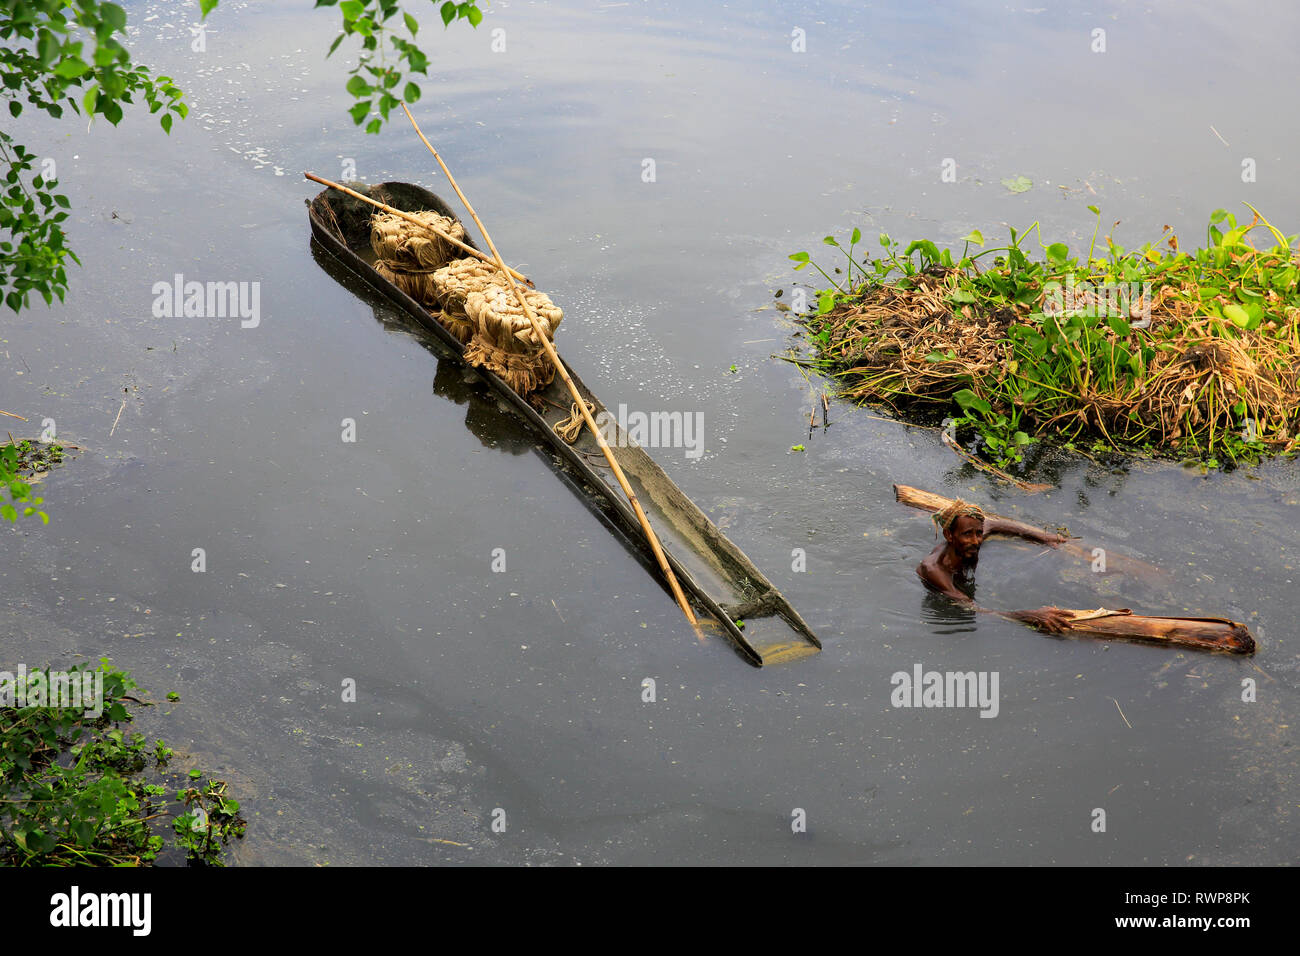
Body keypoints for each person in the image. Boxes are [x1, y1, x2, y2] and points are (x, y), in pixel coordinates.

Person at [916, 498, 1074, 633]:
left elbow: (993, 524)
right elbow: (972, 608)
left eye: (978, 533)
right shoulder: (934, 570)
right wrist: (1031, 615)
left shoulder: (969, 542)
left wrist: (1045, 538)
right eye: (967, 534)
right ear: (949, 535)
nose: (976, 541)